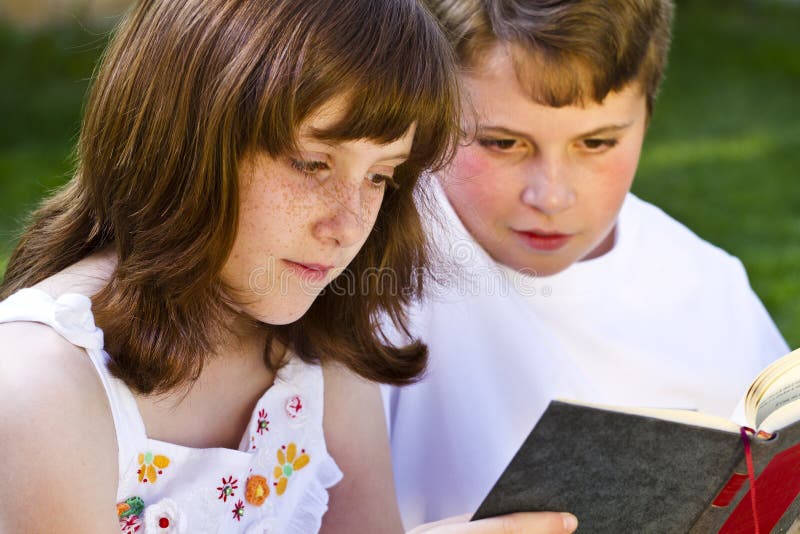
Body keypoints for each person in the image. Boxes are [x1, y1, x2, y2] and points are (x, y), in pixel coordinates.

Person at [0, 1, 578, 533]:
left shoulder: (316, 353)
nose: (348, 225)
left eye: (380, 176)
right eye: (311, 163)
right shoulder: (38, 391)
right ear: (183, 140)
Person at [384, 0, 790, 528]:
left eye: (597, 143)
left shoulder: (709, 284)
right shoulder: (366, 269)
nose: (551, 196)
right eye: (503, 143)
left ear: (647, 114)